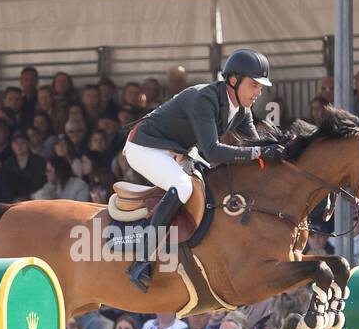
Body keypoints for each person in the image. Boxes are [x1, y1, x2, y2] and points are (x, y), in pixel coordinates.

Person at [118, 48, 284, 291]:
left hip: (174, 150)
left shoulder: (241, 110)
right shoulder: (204, 99)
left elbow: (256, 144)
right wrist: (258, 153)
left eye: (261, 86)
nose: (259, 92)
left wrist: (281, 149)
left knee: (208, 184)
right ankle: (142, 261)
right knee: (183, 186)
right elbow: (213, 151)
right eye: (255, 85)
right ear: (234, 80)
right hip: (145, 147)